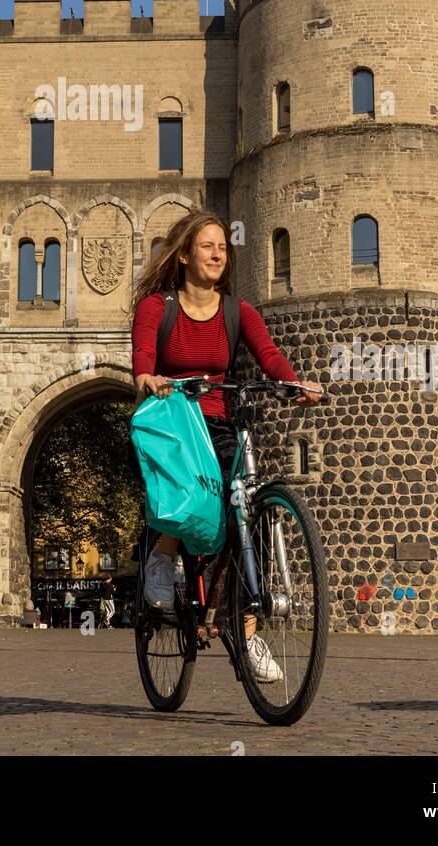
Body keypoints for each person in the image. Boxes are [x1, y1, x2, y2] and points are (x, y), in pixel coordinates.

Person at [131, 210, 323, 683]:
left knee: (248, 515)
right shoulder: (159, 308)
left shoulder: (239, 312)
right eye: (207, 246)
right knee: (197, 493)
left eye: (222, 247)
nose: (218, 254)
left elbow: (269, 355)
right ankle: (161, 559)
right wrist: (148, 378)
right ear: (183, 255)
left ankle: (245, 629)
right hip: (174, 423)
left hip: (219, 420)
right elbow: (141, 357)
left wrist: (292, 382)